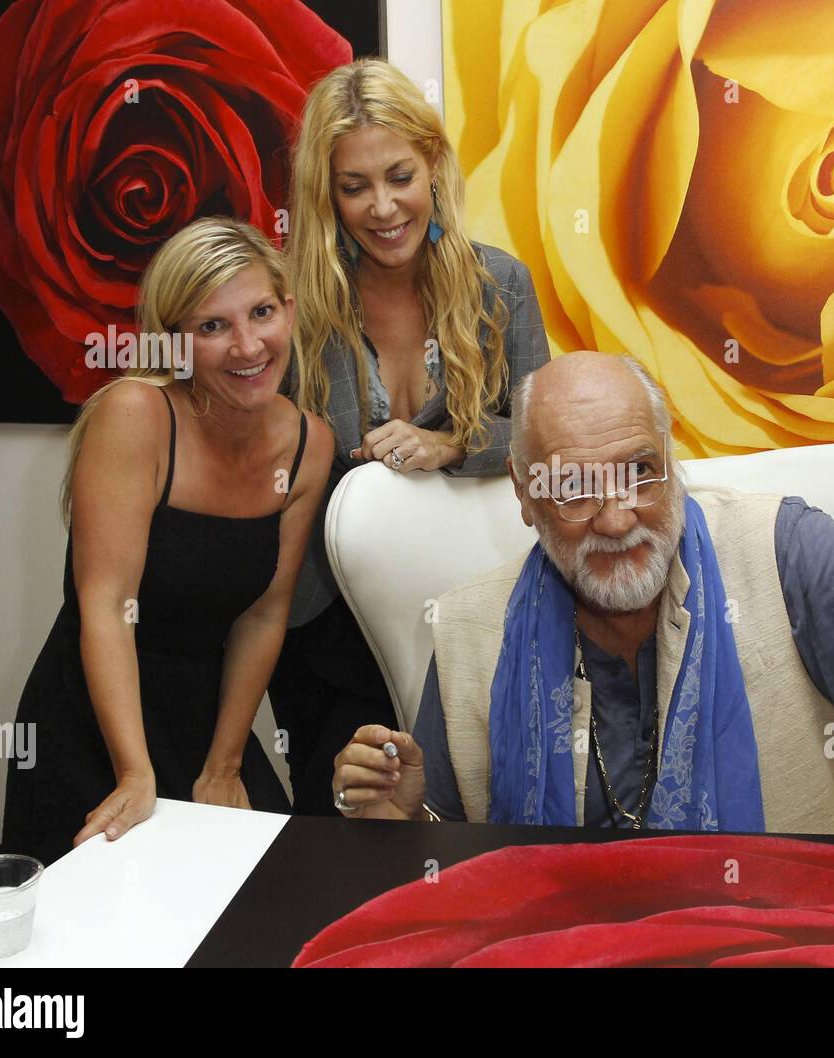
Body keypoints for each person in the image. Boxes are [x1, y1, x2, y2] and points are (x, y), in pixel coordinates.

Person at [330, 352, 834, 838]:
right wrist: (401, 821)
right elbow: (453, 874)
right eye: (575, 488)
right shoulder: (465, 629)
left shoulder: (784, 554)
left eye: (642, 472)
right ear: (526, 496)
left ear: (674, 464)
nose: (618, 518)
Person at [2, 218, 333, 866]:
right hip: (92, 717)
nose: (247, 346)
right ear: (175, 342)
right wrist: (134, 773)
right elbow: (106, 606)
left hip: (207, 719)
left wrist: (225, 762)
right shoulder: (135, 414)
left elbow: (264, 614)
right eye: (212, 326)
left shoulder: (308, 446)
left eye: (261, 312)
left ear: (288, 311)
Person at [272, 57, 549, 815]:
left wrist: (458, 444)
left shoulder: (502, 285)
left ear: (433, 165)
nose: (383, 206)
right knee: (344, 834)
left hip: (473, 615)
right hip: (326, 629)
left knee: (470, 824)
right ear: (327, 195)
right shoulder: (294, 305)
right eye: (354, 186)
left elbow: (546, 444)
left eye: (399, 175)